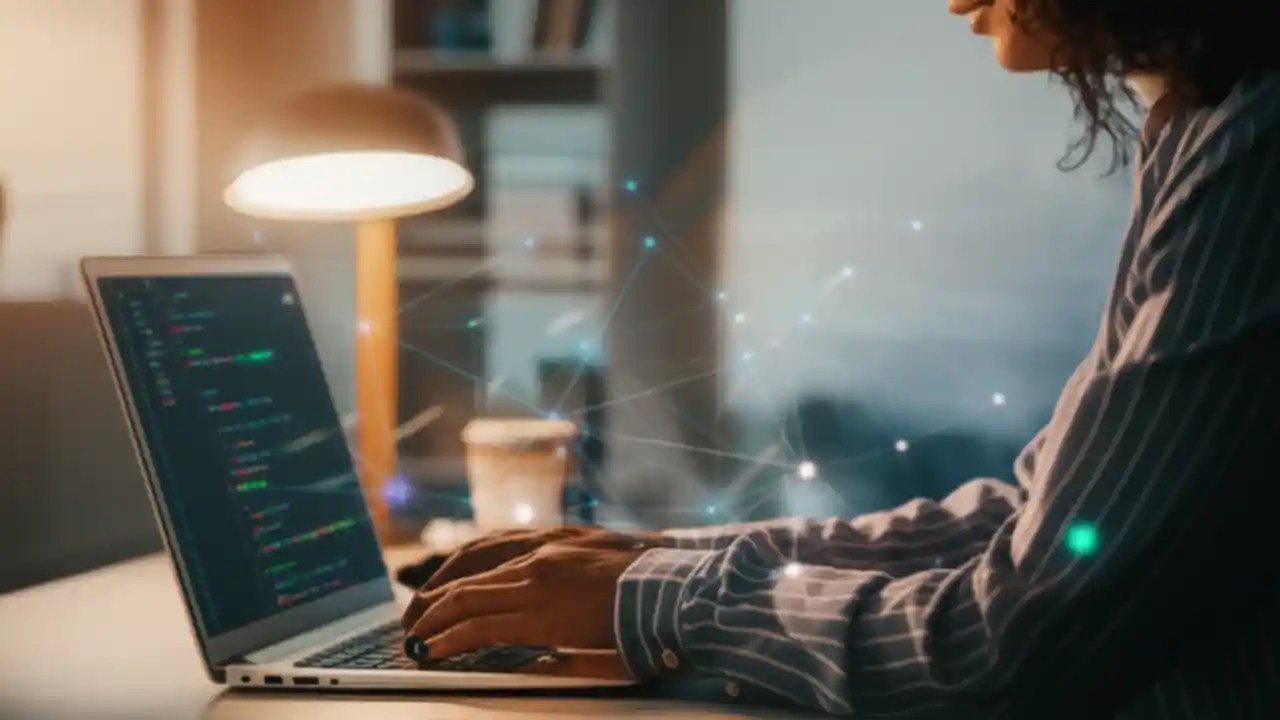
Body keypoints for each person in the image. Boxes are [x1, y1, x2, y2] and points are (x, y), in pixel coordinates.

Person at [401, 0, 1280, 716]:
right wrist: (645, 559)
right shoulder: (1206, 121)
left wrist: (655, 598)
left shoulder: (1254, 152)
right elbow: (1025, 527)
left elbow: (1008, 637)